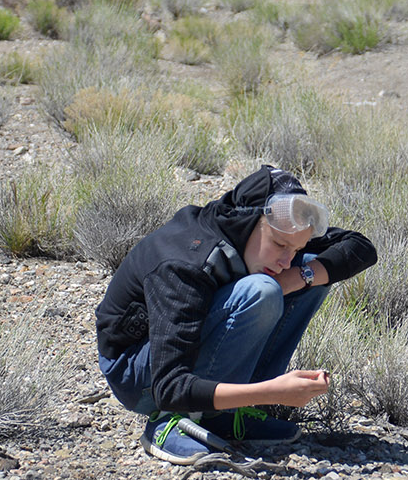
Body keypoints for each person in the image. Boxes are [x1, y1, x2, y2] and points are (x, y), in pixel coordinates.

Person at [95, 165, 376, 464]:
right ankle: (169, 422)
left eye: (293, 248)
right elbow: (169, 386)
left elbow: (361, 248)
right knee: (261, 290)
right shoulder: (185, 264)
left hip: (176, 361)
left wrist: (299, 276)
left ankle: (222, 416)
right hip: (140, 376)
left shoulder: (270, 232)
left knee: (312, 271)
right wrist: (269, 392)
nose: (285, 259)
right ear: (248, 220)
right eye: (279, 244)